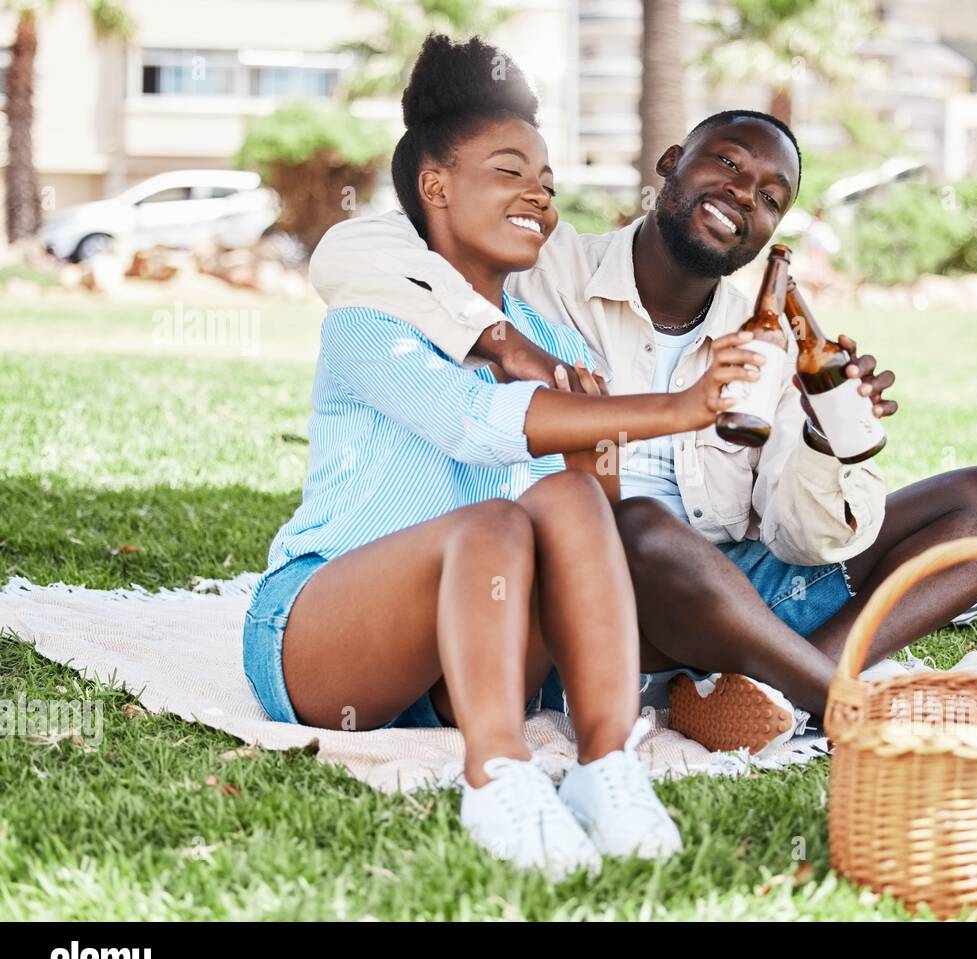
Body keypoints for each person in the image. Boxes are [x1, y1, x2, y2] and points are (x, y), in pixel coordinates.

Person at [310, 105, 977, 753]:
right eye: (726, 161)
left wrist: (824, 436)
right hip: (605, 587)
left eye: (770, 196)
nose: (741, 193)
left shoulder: (775, 338)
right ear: (671, 164)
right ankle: (832, 695)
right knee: (635, 526)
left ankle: (783, 691)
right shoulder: (547, 266)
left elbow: (804, 541)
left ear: (771, 231)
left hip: (736, 591)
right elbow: (355, 249)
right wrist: (502, 340)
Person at [243, 35, 765, 878]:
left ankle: (606, 765)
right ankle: (497, 774)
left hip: (465, 663)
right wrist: (674, 408)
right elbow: (473, 423)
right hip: (324, 638)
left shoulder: (555, 342)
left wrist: (595, 442)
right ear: (435, 187)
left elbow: (584, 514)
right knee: (486, 523)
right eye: (510, 171)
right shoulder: (370, 322)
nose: (539, 195)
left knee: (565, 507)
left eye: (548, 181)